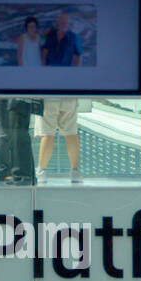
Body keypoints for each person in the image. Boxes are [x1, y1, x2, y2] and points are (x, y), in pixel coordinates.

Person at [36, 11, 84, 185]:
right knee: (47, 133)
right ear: (57, 22)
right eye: (61, 21)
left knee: (70, 132)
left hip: (67, 89)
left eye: (66, 21)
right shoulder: (50, 37)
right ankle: (42, 172)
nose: (63, 24)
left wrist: (74, 79)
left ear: (68, 23)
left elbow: (78, 57)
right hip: (50, 89)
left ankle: (75, 171)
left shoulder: (73, 38)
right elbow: (43, 55)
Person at [0, 98, 35, 186]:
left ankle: (6, 175)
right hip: (18, 91)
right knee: (18, 130)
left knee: (1, 132)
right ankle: (21, 175)